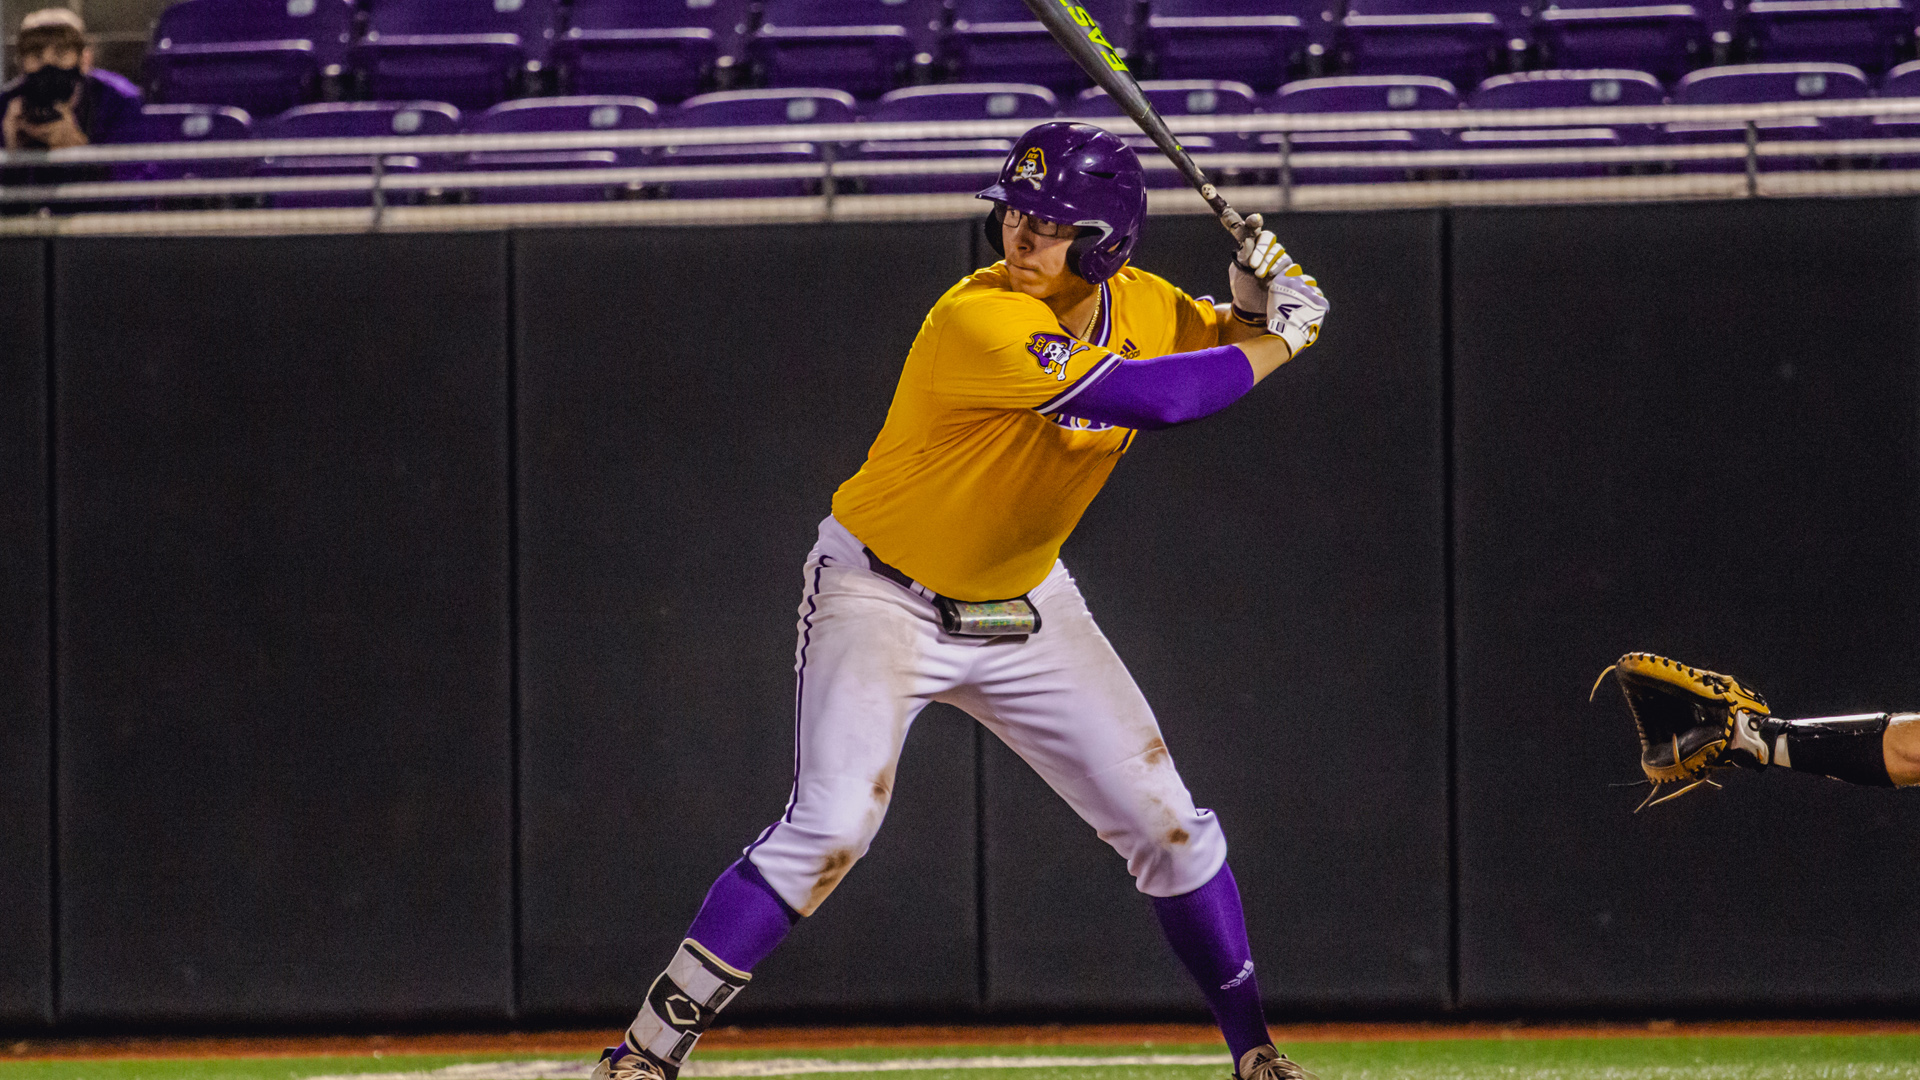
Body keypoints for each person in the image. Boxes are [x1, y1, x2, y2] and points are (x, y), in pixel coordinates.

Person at [591, 121, 1331, 1080]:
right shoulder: (977, 317)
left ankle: (1256, 1054)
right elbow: (1161, 399)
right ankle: (644, 1055)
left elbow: (1210, 342)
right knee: (833, 827)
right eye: (1015, 213)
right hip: (881, 595)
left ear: (1106, 241)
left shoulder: (1146, 305)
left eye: (1051, 223)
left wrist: (1252, 303)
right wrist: (1286, 337)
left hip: (1026, 604)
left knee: (1170, 827)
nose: (1022, 235)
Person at [1, 7, 141, 151]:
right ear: (21, 62)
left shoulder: (118, 101)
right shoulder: (5, 105)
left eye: (61, 53)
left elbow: (134, 162)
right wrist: (10, 149)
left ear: (84, 59)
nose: (48, 65)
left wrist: (77, 149)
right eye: (36, 55)